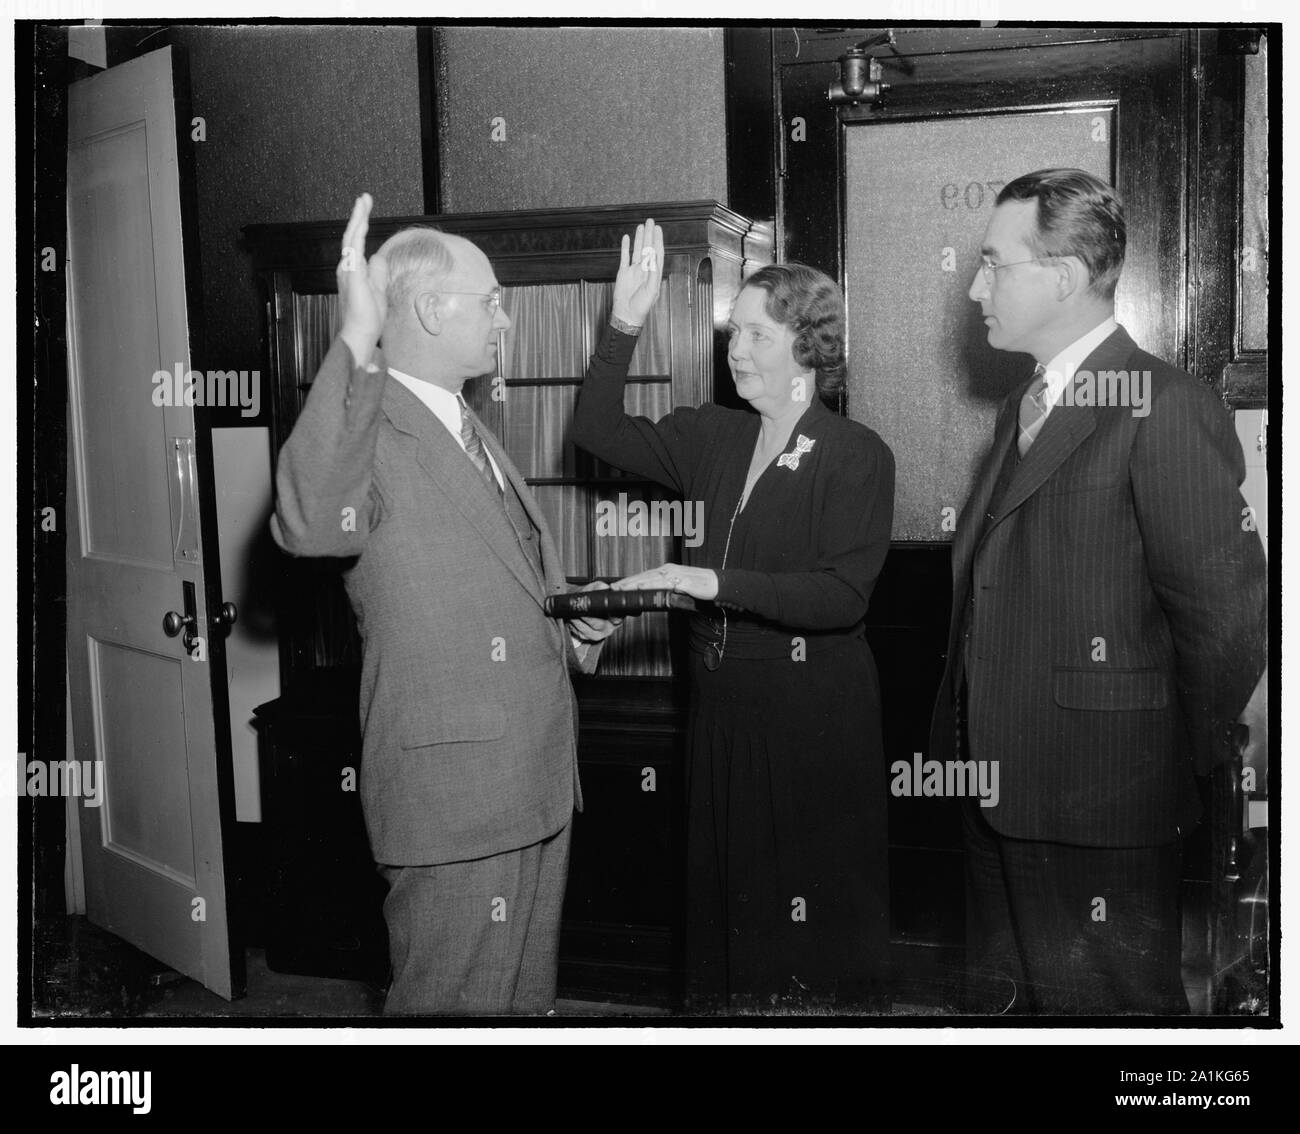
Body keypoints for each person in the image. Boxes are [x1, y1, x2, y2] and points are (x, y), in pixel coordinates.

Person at [930, 168, 1268, 1014]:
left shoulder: (1165, 404)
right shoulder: (1024, 406)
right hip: (990, 789)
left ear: (1067, 277)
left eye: (994, 265)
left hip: (1100, 804)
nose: (975, 289)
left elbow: (1227, 622)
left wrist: (1159, 770)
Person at [271, 194, 617, 1014]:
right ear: (430, 307)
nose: (504, 321)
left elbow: (489, 575)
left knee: (521, 1006)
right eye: (491, 301)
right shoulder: (371, 421)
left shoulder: (464, 420)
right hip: (455, 797)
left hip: (531, 777)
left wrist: (571, 621)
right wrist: (356, 339)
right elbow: (309, 522)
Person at [572, 222, 896, 1012]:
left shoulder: (856, 454)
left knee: (807, 919)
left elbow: (840, 595)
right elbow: (595, 431)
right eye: (732, 332)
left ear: (810, 344)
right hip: (719, 708)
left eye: (756, 332)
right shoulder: (710, 435)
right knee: (730, 908)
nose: (735, 349)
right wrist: (624, 321)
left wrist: (710, 581)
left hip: (812, 717)